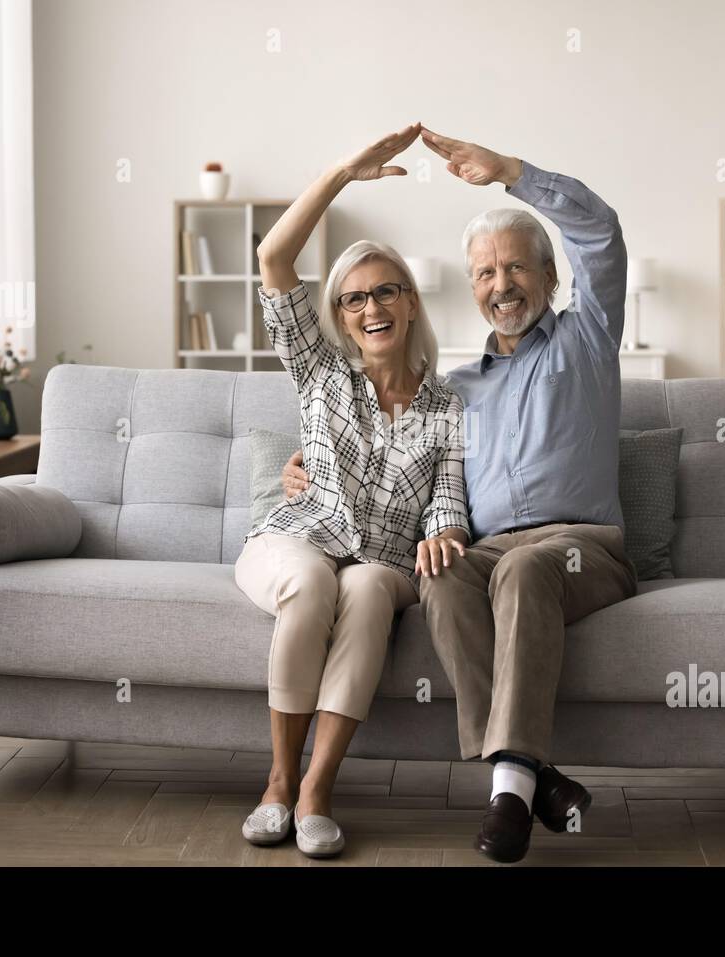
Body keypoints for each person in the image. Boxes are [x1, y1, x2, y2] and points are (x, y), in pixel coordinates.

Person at [281, 127, 637, 863]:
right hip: (488, 552)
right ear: (470, 288)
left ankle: (507, 790)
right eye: (484, 273)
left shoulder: (587, 339)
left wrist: (510, 172)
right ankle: (528, 777)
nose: (500, 284)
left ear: (549, 276)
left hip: (581, 549)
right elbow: (381, 452)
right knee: (438, 571)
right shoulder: (452, 393)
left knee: (524, 567)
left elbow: (600, 233)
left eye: (514, 268)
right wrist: (308, 462)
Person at [235, 122, 470, 858]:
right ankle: (278, 780)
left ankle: (317, 791)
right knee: (310, 578)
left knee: (367, 588)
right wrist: (343, 172)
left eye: (387, 292)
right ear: (339, 315)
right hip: (295, 541)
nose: (372, 309)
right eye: (354, 299)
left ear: (409, 302)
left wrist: (446, 533)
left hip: (384, 561)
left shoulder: (447, 407)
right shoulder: (321, 374)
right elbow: (273, 257)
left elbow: (448, 500)